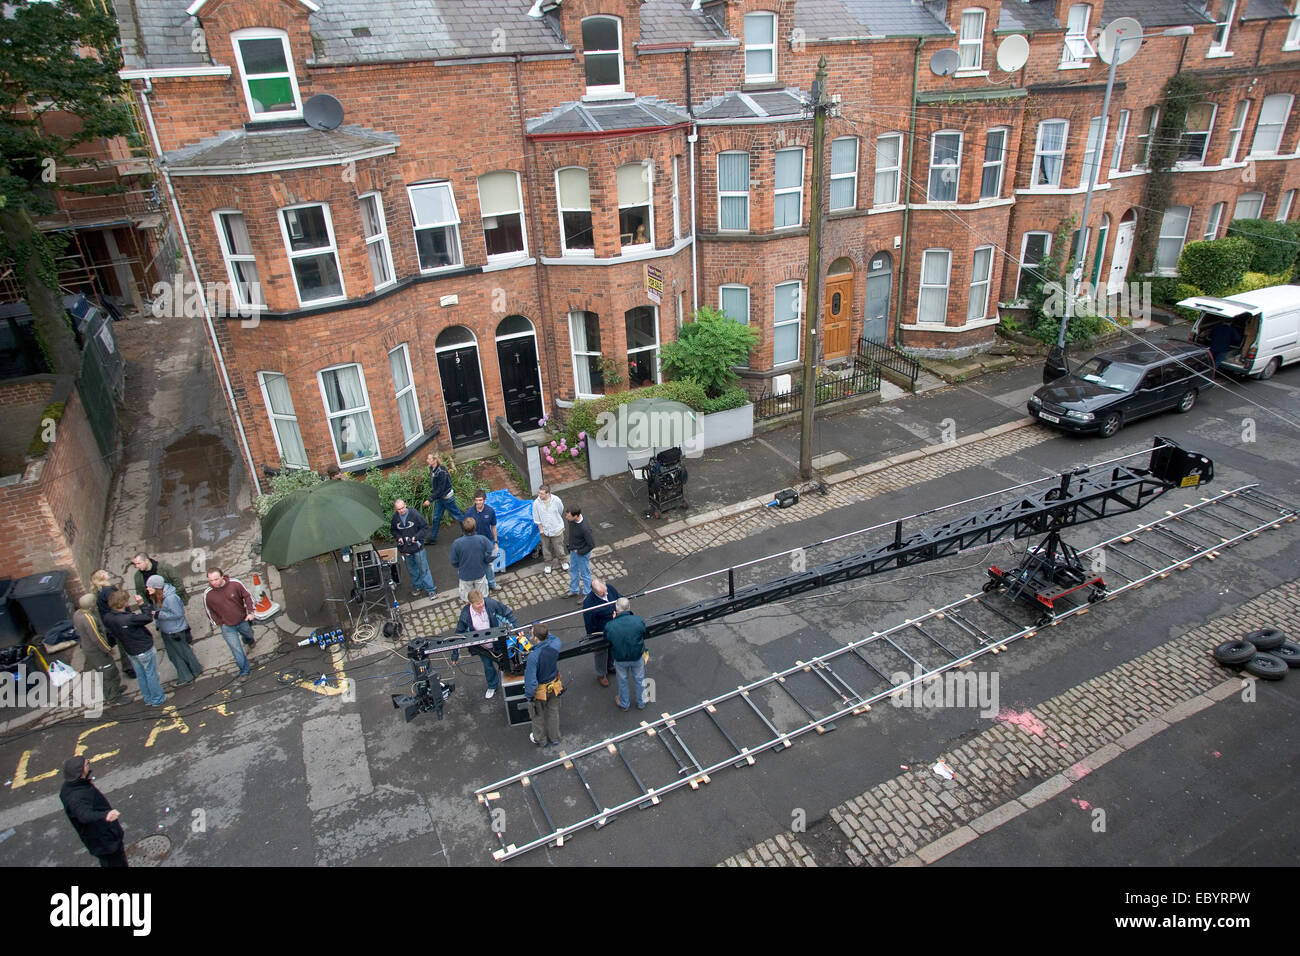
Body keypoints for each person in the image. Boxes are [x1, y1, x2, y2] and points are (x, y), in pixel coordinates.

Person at [60, 756, 127, 867]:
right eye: (87, 764)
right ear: (82, 771)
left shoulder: (69, 787)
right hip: (105, 841)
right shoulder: (76, 797)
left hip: (101, 838)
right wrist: (106, 815)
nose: (88, 765)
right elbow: (84, 815)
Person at [102, 590, 166, 706]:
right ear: (123, 603)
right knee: (151, 674)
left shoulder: (108, 618)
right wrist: (141, 604)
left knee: (141, 675)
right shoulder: (129, 618)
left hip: (130, 650)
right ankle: (157, 698)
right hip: (143, 648)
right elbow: (147, 618)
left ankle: (147, 698)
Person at [455, 589, 518, 699]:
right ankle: (492, 685)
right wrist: (455, 654)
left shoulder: (490, 603)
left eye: (482, 602)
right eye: (477, 604)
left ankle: (512, 678)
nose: (481, 605)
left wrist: (517, 628)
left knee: (508, 658)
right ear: (470, 603)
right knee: (488, 666)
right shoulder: (465, 615)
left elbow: (507, 612)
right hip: (483, 647)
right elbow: (459, 634)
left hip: (498, 642)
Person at [146, 574, 203, 686]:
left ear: (157, 587)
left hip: (175, 631)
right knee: (180, 653)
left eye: (150, 587)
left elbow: (178, 614)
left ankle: (186, 676)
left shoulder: (170, 598)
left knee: (179, 655)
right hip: (168, 630)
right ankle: (194, 671)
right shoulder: (159, 597)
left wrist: (158, 614)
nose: (147, 589)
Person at [202, 569, 255, 681]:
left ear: (222, 576)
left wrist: (250, 612)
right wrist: (218, 623)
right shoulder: (208, 594)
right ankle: (244, 671)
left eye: (216, 579)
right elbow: (209, 611)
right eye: (211, 580)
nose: (214, 582)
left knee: (249, 634)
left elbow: (247, 596)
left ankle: (249, 640)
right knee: (236, 649)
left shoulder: (235, 584)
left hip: (242, 620)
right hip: (227, 626)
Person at [72, 594, 124, 706]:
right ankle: (113, 697)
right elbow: (97, 638)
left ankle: (111, 691)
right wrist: (108, 649)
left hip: (89, 649)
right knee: (109, 672)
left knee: (103, 672)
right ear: (91, 606)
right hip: (97, 651)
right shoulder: (89, 619)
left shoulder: (77, 614)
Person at [603, 597, 648, 711]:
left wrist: (613, 620)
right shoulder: (638, 620)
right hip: (637, 656)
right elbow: (644, 633)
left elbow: (607, 638)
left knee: (623, 681)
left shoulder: (610, 625)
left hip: (620, 659)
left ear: (616, 610)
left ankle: (624, 704)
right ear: (629, 608)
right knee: (639, 679)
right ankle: (641, 702)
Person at [523, 623, 563, 748]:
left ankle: (541, 739)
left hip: (540, 691)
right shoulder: (555, 645)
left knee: (537, 715)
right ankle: (555, 737)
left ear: (535, 638)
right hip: (554, 686)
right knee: (553, 712)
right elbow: (552, 637)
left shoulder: (533, 656)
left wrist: (529, 696)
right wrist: (540, 629)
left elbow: (531, 681)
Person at [91, 570, 134, 680]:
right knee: (124, 644)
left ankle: (128, 666)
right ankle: (129, 667)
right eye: (104, 573)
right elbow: (118, 604)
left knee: (123, 643)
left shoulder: (100, 591)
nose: (107, 573)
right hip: (118, 622)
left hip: (111, 622)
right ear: (102, 578)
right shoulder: (108, 591)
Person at [391, 499, 437, 600]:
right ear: (396, 509)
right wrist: (398, 537)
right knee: (412, 570)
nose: (402, 510)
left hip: (417, 548)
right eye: (399, 509)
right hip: (406, 549)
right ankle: (418, 586)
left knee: (423, 569)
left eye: (403, 508)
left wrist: (416, 537)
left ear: (405, 505)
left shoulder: (414, 514)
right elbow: (393, 530)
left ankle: (431, 590)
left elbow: (425, 527)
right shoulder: (395, 518)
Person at [582, 576, 621, 687]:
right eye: (601, 594)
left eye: (605, 592)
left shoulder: (609, 588)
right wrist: (592, 636)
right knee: (601, 653)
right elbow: (589, 623)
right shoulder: (589, 603)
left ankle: (610, 666)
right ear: (594, 592)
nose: (605, 595)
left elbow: (619, 598)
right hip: (600, 632)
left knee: (613, 648)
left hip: (614, 628)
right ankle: (601, 674)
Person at [421, 453, 464, 544]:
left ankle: (468, 532)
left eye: (429, 459)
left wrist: (430, 499)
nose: (427, 460)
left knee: (457, 515)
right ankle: (433, 538)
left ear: (434, 460)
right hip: (440, 498)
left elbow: (441, 489)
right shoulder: (432, 468)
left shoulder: (441, 472)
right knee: (436, 517)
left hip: (447, 498)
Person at [449, 516, 494, 603]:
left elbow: (453, 561)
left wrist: (460, 565)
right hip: (480, 573)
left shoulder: (457, 543)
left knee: (467, 599)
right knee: (483, 597)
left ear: (463, 528)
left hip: (465, 575)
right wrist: (486, 561)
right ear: (475, 527)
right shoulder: (482, 539)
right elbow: (494, 553)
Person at [468, 489, 501, 591]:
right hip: (474, 544)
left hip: (487, 542)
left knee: (489, 564)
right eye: (476, 500)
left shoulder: (490, 511)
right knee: (475, 564)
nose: (478, 502)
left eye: (480, 500)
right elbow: (466, 529)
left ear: (484, 500)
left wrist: (495, 542)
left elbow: (493, 527)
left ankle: (491, 583)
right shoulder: (469, 512)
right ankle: (478, 586)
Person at [532, 485, 566, 574]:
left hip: (556, 529)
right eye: (539, 493)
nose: (539, 495)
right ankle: (548, 564)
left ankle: (563, 561)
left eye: (542, 494)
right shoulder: (536, 503)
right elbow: (536, 518)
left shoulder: (556, 500)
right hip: (544, 531)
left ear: (548, 493)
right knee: (546, 548)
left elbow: (560, 510)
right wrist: (541, 530)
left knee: (559, 547)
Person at [565, 506, 594, 600]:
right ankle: (574, 590)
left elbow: (591, 545)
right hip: (574, 550)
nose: (566, 518)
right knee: (573, 570)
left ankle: (587, 593)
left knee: (585, 573)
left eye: (569, 516)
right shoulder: (571, 521)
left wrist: (580, 551)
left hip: (582, 553)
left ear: (576, 516)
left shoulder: (584, 528)